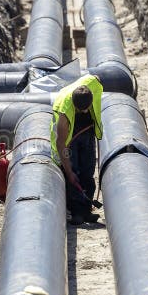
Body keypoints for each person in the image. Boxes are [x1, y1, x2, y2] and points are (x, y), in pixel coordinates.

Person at [50, 75, 104, 225]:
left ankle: (86, 210)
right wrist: (69, 171)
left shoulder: (91, 86)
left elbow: (96, 78)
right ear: (75, 106)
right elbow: (61, 143)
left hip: (87, 132)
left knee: (88, 170)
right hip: (69, 139)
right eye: (83, 110)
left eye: (88, 108)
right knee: (75, 174)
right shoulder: (64, 113)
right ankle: (76, 213)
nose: (87, 111)